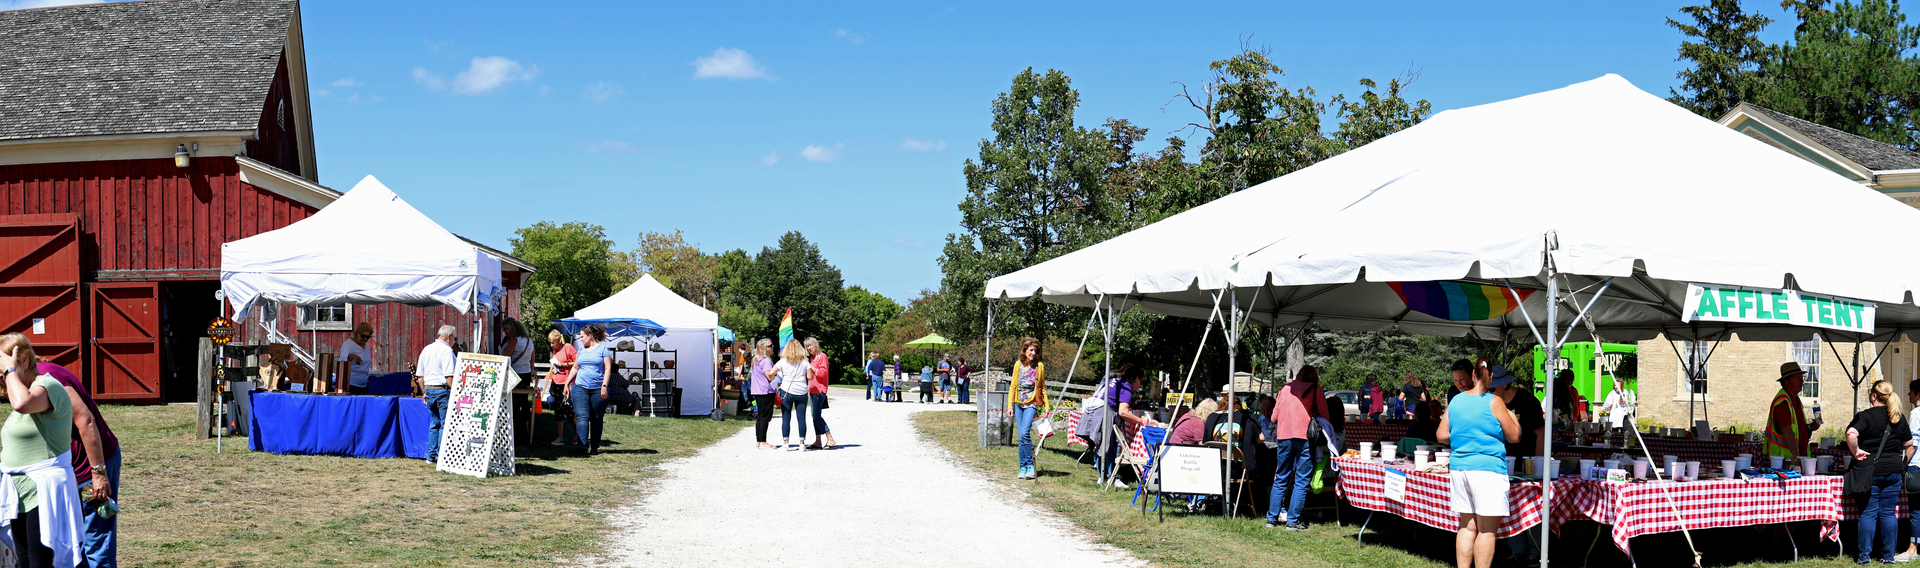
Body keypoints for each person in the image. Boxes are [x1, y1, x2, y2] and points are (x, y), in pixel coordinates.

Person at [0, 334, 84, 568]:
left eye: (4, 367)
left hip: (44, 491)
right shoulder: (22, 389)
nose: (1, 374)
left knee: (40, 563)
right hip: (21, 492)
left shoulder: (47, 386)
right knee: (24, 561)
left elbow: (22, 403)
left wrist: (10, 372)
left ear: (24, 361)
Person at [1438, 359, 1521, 568]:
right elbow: (1515, 436)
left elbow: (1441, 435)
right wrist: (1512, 417)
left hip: (1460, 468)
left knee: (1466, 526)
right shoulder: (1494, 401)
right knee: (1486, 530)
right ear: (1491, 377)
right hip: (1488, 471)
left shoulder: (1456, 401)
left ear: (1473, 375)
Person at [36, 361, 118, 568]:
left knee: (96, 541)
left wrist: (98, 473)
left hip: (90, 468)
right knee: (75, 541)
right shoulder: (34, 379)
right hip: (70, 469)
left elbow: (86, 421)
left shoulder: (48, 377)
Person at [1850, 380, 1911, 564]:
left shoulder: (1865, 416)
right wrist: (1902, 463)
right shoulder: (1898, 416)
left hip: (1870, 471)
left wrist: (1856, 451)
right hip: (1893, 470)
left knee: (1868, 513)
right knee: (1888, 513)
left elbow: (1851, 434)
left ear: (1874, 396)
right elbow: (1909, 445)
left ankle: (1864, 557)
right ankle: (1888, 557)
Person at [1489, 367, 1545, 567]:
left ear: (1505, 384)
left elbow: (1541, 433)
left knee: (1532, 506)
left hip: (1528, 462)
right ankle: (1517, 550)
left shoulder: (1528, 401)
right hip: (1502, 463)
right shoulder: (1491, 402)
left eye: (1494, 387)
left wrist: (1539, 463)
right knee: (1510, 507)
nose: (1490, 391)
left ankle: (1536, 550)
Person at [1268, 365, 1327, 530]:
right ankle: (1292, 521)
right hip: (1305, 437)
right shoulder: (1316, 389)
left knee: (1281, 477)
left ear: (1299, 375)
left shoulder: (1285, 389)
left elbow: (1273, 418)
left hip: (1284, 436)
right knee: (1301, 480)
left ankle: (1271, 519)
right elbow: (1325, 415)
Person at [1099, 363, 1158, 486]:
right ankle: (1112, 477)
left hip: (1097, 410)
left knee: (1101, 444)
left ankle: (1102, 476)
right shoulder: (1126, 387)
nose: (1141, 384)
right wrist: (1141, 421)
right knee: (1109, 446)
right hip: (1105, 412)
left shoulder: (1114, 380)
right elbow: (1123, 412)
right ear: (1136, 377)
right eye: (1141, 380)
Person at [567, 326, 614, 456]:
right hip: (580, 387)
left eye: (582, 336)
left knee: (596, 418)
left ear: (590, 336)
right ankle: (582, 447)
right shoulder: (581, 350)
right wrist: (567, 383)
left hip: (598, 389)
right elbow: (576, 367)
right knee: (582, 417)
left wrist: (604, 386)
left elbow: (608, 368)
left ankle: (594, 447)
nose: (581, 339)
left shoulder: (603, 349)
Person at [416, 325, 457, 463]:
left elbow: (420, 376)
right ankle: (441, 456)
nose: (454, 342)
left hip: (429, 389)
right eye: (455, 338)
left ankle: (431, 456)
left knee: (435, 423)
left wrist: (424, 392)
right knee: (445, 424)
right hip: (443, 389)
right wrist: (457, 392)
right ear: (449, 336)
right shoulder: (446, 350)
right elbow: (449, 375)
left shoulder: (426, 349)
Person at [1012, 337, 1050, 479]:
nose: (1033, 353)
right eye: (1031, 350)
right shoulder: (1018, 365)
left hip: (1032, 404)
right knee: (1021, 437)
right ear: (1025, 350)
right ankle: (1023, 467)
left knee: (1024, 434)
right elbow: (1013, 386)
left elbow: (1042, 387)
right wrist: (1010, 405)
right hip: (1018, 404)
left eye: (1035, 350)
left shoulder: (1039, 367)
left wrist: (1047, 406)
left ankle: (1030, 465)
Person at [1765, 362, 1820, 458]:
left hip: (1793, 459)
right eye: (1798, 378)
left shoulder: (1795, 399)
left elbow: (1797, 429)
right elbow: (1787, 431)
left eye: (1802, 378)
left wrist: (1809, 428)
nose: (1802, 381)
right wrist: (1796, 457)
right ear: (1786, 380)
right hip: (1784, 460)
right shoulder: (1783, 402)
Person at [499, 318, 536, 445]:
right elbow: (532, 360)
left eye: (507, 329)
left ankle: (512, 427)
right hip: (526, 373)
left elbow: (505, 355)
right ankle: (526, 427)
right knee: (524, 400)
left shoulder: (514, 340)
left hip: (514, 373)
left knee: (513, 400)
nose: (506, 332)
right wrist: (531, 373)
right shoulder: (530, 341)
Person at [775, 340, 812, 451]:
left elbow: (771, 372)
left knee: (786, 418)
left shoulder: (782, 361)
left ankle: (786, 443)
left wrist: (776, 381)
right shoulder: (805, 362)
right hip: (801, 392)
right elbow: (810, 377)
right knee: (801, 418)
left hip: (787, 390)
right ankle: (802, 443)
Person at [545, 330, 578, 447]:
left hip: (567, 382)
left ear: (558, 340)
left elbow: (578, 362)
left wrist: (565, 364)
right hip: (557, 382)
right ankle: (560, 437)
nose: (551, 345)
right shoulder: (555, 351)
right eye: (550, 343)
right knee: (558, 410)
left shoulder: (568, 347)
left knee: (568, 409)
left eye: (552, 342)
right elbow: (554, 369)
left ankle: (578, 432)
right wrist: (552, 385)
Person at [803, 338, 837, 450]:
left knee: (816, 416)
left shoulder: (822, 357)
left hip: (819, 390)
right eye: (807, 346)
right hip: (812, 390)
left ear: (815, 344)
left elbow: (822, 373)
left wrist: (809, 366)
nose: (809, 348)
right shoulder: (812, 359)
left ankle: (830, 438)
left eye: (810, 345)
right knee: (814, 416)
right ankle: (818, 441)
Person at [1900, 380, 1920, 563]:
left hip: (1917, 466)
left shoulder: (1916, 413)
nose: (1908, 395)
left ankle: (1912, 549)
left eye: (1910, 392)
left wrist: (1903, 464)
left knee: (1915, 510)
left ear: (1918, 394)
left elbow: (1912, 444)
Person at [750, 339, 778, 449]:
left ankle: (759, 440)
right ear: (764, 348)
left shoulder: (756, 359)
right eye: (770, 345)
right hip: (765, 391)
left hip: (757, 390)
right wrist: (778, 383)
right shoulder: (766, 360)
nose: (773, 347)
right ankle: (763, 441)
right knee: (766, 416)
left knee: (760, 416)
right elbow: (769, 375)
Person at [339, 322, 375, 395]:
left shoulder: (366, 345)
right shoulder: (349, 344)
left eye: (368, 337)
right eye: (363, 336)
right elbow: (342, 359)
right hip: (351, 385)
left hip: (363, 384)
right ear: (357, 334)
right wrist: (352, 356)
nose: (365, 339)